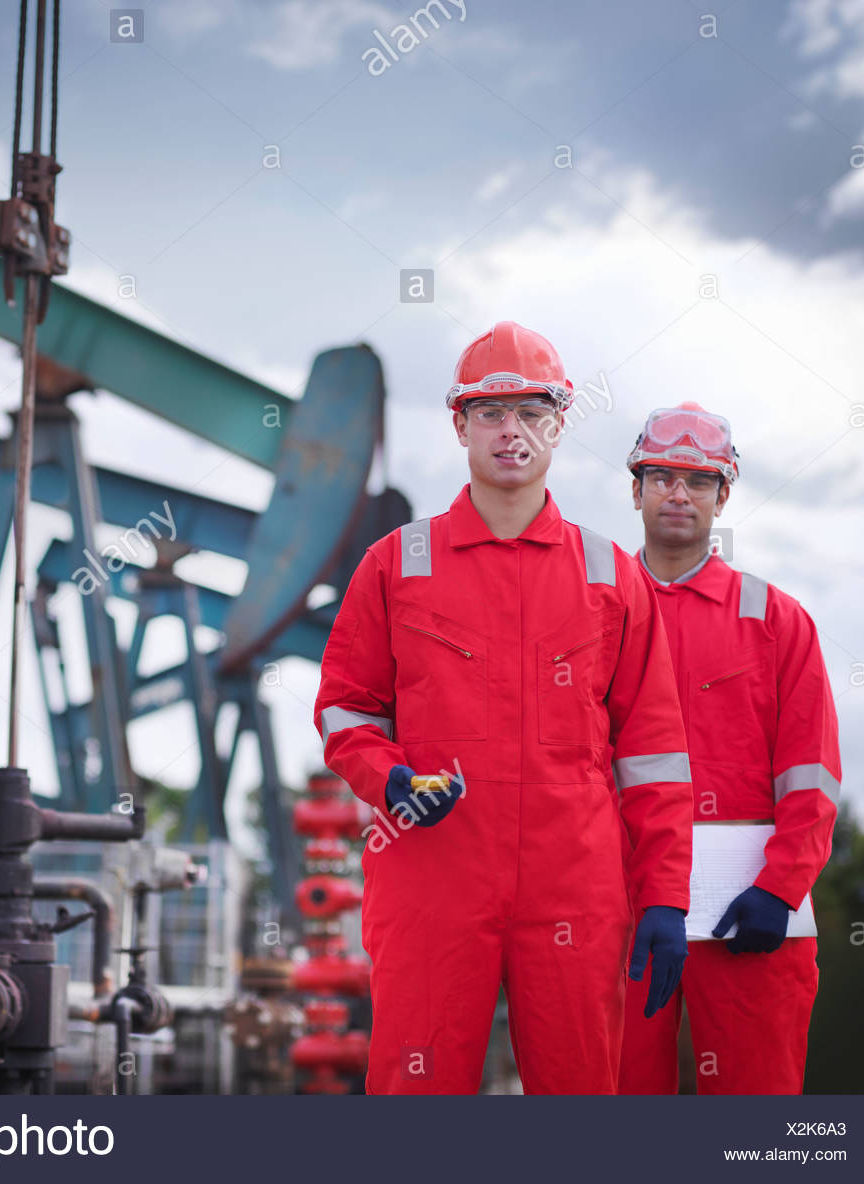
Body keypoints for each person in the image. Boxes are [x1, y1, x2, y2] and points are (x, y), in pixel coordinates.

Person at [313, 321, 693, 1094]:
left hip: (576, 885)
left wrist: (664, 897)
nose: (510, 431)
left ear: (560, 423)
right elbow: (345, 709)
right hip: (431, 869)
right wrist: (390, 781)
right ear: (459, 425)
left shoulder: (611, 577)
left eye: (531, 412)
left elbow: (653, 754)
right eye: (490, 412)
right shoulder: (396, 566)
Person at [617, 402, 841, 1095]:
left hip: (746, 908)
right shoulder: (595, 609)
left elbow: (813, 774)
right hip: (618, 904)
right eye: (662, 478)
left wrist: (779, 888)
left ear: (724, 495)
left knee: (757, 1113)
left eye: (698, 481)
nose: (678, 495)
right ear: (636, 490)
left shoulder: (774, 620)